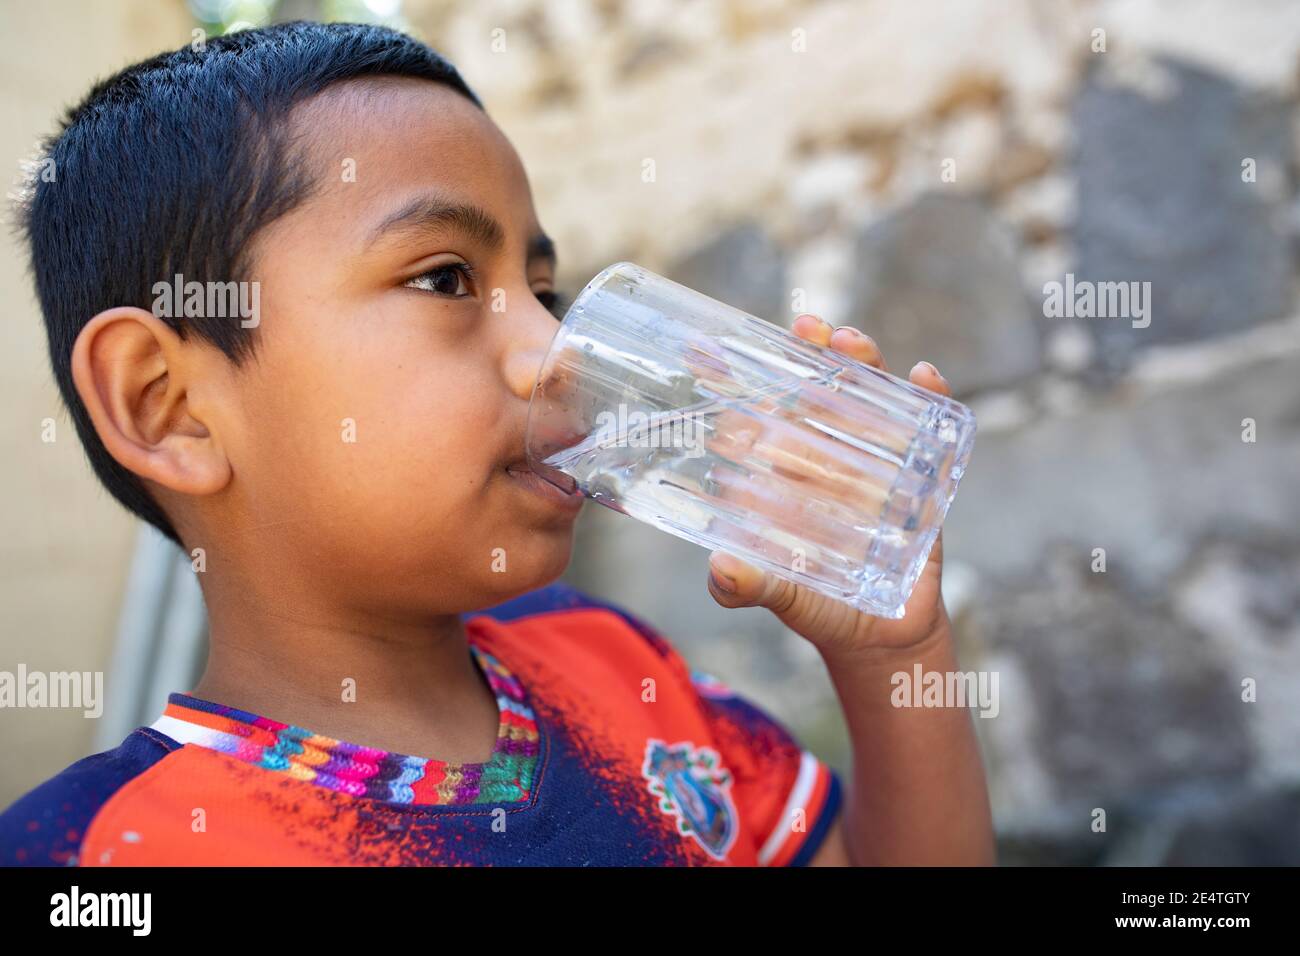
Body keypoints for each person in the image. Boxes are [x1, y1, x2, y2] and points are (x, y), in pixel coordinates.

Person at [1, 21, 993, 866]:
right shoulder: (107, 849)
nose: (552, 349)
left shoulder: (613, 666)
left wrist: (890, 654)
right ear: (168, 405)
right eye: (444, 278)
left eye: (542, 289)